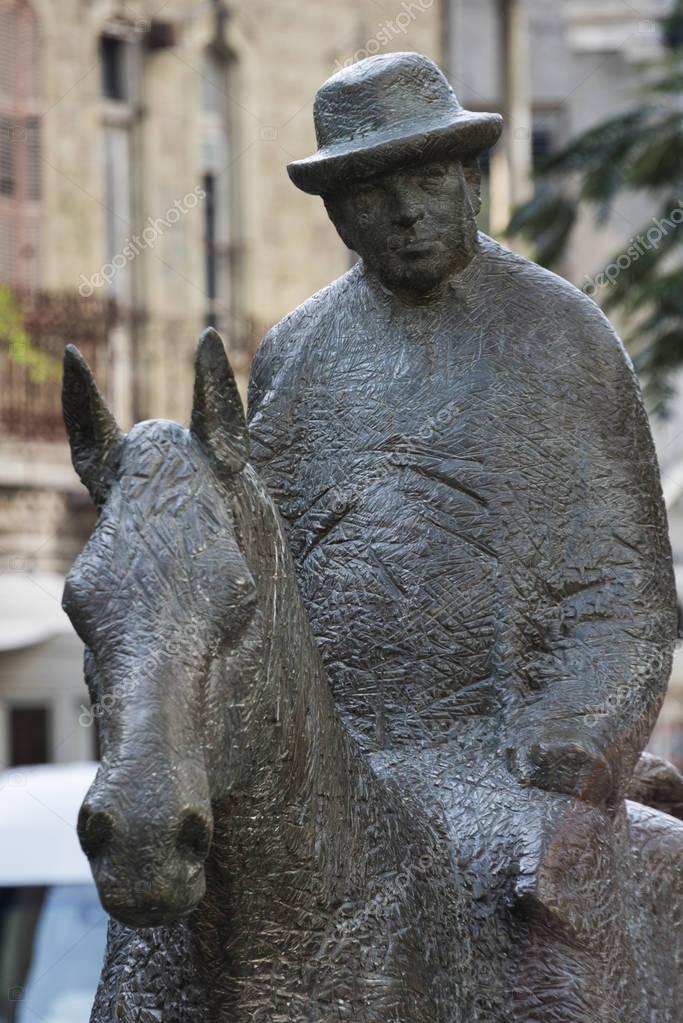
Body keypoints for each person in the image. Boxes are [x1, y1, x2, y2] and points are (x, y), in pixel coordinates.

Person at [248, 52, 678, 1016]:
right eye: (373, 189)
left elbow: (627, 592)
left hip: (505, 758)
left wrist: (575, 735)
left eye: (428, 179)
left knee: (594, 914)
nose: (405, 211)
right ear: (335, 210)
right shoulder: (295, 354)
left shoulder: (561, 336)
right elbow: (259, 583)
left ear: (470, 178)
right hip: (331, 768)